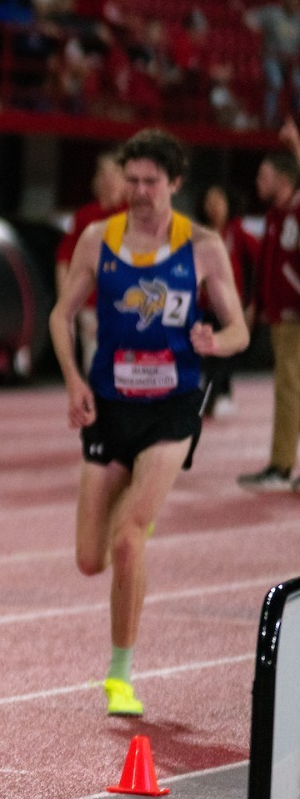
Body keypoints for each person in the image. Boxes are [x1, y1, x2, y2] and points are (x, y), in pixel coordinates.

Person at [50, 129, 248, 718]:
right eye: (131, 180)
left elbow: (240, 329)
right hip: (110, 404)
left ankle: (119, 676)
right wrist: (73, 381)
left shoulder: (202, 246)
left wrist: (215, 341)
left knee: (128, 538)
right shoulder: (98, 239)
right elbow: (61, 316)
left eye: (150, 182)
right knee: (91, 558)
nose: (138, 192)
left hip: (172, 406)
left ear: (175, 183)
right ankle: (133, 522)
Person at [239, 121, 300, 491]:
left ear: (284, 180)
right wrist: (255, 305)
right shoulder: (277, 216)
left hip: (295, 315)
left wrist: (297, 146)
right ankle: (281, 464)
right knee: (288, 389)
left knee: (289, 389)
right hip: (282, 315)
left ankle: (280, 467)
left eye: (264, 176)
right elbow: (266, 265)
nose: (257, 182)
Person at [56, 151, 129, 374]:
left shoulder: (134, 215)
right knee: (96, 361)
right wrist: (66, 300)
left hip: (128, 301)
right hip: (92, 303)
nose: (109, 180)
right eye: (104, 175)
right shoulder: (85, 216)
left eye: (114, 174)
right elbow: (64, 259)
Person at [198, 183, 258, 418]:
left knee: (225, 352)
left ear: (227, 205)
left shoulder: (236, 230)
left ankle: (214, 396)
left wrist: (252, 301)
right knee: (212, 354)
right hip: (206, 306)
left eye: (218, 201)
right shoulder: (200, 233)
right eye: (209, 202)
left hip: (231, 305)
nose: (214, 207)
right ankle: (218, 393)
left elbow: (258, 255)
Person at [244, 0, 300, 129]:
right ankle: (269, 119)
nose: (295, 2)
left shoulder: (298, 18)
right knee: (275, 83)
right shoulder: (273, 12)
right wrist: (254, 26)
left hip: (291, 61)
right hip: (272, 58)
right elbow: (249, 16)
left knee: (298, 85)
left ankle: (296, 119)